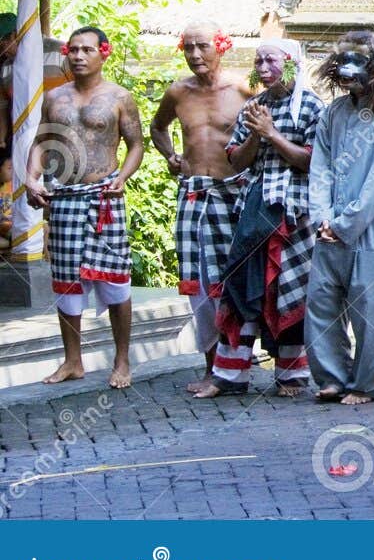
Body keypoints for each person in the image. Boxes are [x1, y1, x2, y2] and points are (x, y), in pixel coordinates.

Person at [201, 39, 324, 398]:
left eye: (271, 59)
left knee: (288, 285)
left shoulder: (313, 107)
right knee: (240, 285)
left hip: (294, 211)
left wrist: (272, 133)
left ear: (291, 64)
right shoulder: (253, 106)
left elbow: (312, 161)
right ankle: (229, 376)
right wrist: (257, 135)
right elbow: (236, 161)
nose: (263, 66)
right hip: (255, 206)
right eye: (258, 61)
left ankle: (291, 375)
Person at [24, 27, 144, 389]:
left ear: (103, 53)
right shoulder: (55, 97)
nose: (77, 56)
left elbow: (136, 145)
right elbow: (42, 143)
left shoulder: (120, 97)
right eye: (72, 49)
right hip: (64, 198)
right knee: (65, 282)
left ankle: (121, 360)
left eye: (86, 50)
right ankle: (72, 361)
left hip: (104, 198)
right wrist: (31, 179)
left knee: (114, 278)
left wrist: (122, 176)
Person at [149, 22, 253, 391]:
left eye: (202, 46)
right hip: (193, 194)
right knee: (199, 286)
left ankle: (236, 363)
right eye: (188, 47)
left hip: (233, 193)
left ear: (221, 46)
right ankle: (213, 368)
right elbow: (158, 128)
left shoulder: (243, 88)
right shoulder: (178, 91)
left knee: (234, 279)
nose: (195, 54)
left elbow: (266, 130)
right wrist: (171, 155)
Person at [306, 31, 374, 405]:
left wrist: (346, 223)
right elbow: (320, 169)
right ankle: (331, 376)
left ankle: (368, 384)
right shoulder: (332, 113)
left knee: (369, 305)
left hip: (371, 228)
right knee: (321, 301)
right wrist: (322, 217)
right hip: (328, 225)